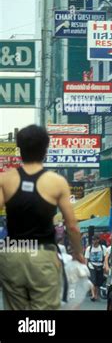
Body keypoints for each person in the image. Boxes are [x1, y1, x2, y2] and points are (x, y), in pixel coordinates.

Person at [0, 125, 84, 310]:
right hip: (43, 255)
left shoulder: (5, 179)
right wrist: (78, 253)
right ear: (46, 149)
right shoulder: (57, 182)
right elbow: (72, 227)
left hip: (11, 255)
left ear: (19, 149)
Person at [85, 234, 107, 301]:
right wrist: (86, 267)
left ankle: (97, 295)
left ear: (98, 240)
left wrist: (105, 265)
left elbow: (106, 256)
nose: (93, 241)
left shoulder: (102, 247)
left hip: (100, 265)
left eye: (95, 239)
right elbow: (86, 258)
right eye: (93, 240)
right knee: (93, 280)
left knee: (98, 282)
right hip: (92, 265)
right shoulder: (89, 248)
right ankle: (93, 295)